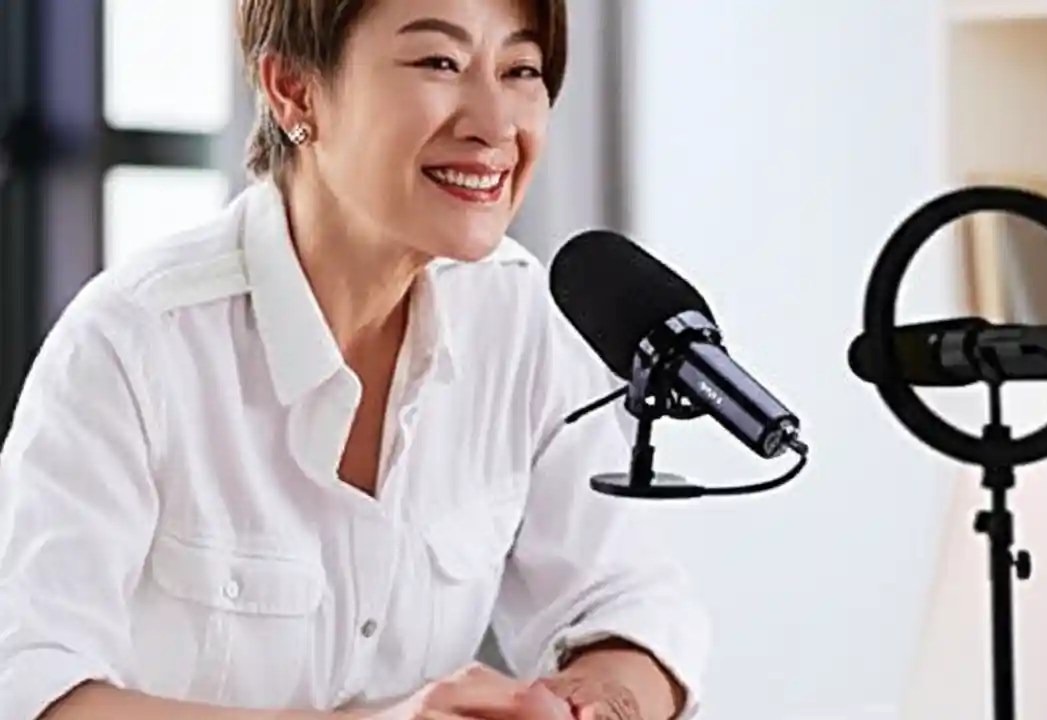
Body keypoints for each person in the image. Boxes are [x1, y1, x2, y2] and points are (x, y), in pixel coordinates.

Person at [0, 0, 710, 718]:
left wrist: (588, 707)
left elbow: (633, 605)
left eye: (520, 70)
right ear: (294, 90)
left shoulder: (520, 318)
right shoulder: (132, 342)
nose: (496, 126)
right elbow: (34, 690)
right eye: (439, 62)